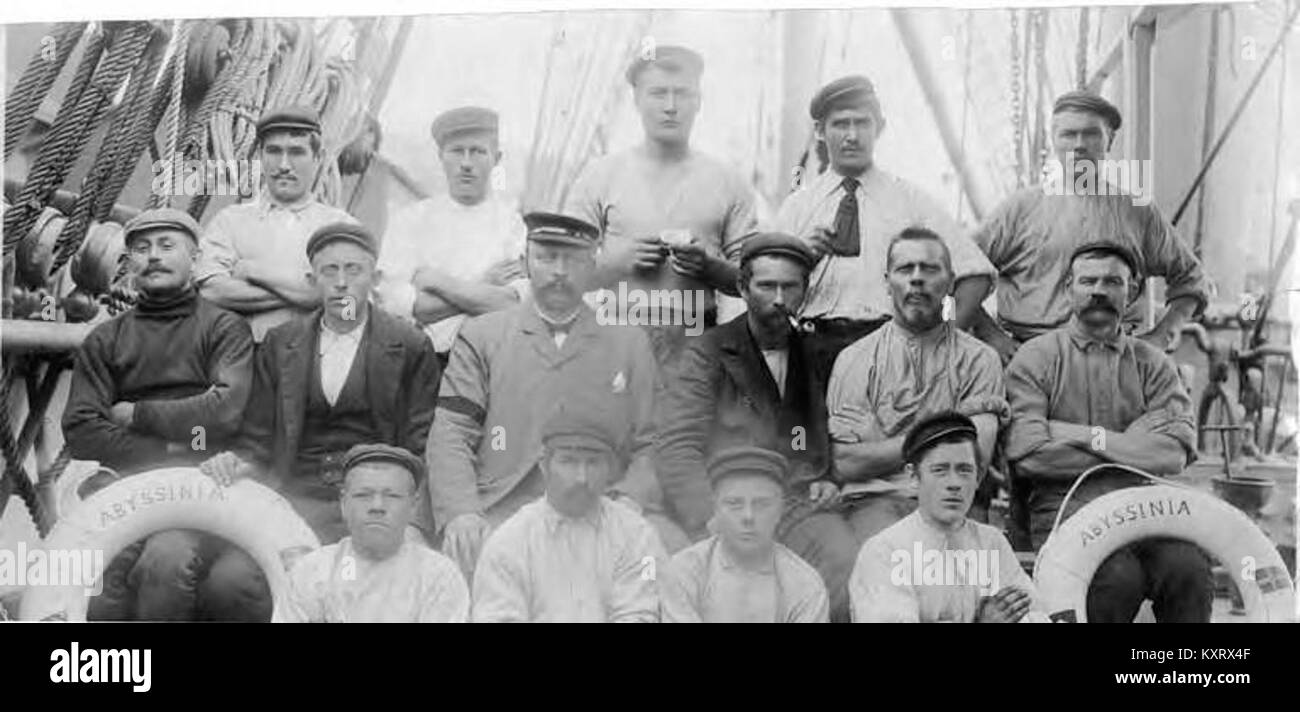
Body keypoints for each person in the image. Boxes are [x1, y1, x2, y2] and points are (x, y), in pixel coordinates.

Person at [428, 211, 674, 578]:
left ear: (592, 267)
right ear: (526, 263)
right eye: (546, 257)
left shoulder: (628, 341)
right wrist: (462, 510)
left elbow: (652, 439)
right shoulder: (482, 335)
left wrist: (631, 498)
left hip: (600, 504)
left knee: (662, 567)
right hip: (502, 506)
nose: (559, 271)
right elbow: (451, 432)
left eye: (573, 260)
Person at [62, 208, 265, 621]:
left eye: (167, 246)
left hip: (204, 485)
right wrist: (175, 443)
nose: (153, 256)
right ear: (128, 263)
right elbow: (82, 429)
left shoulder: (225, 329)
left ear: (195, 258)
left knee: (167, 561)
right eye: (141, 248)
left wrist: (136, 413)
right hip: (125, 489)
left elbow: (224, 412)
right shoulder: (106, 339)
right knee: (100, 574)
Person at [1005, 242, 1212, 622]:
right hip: (1065, 510)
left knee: (1190, 571)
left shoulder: (1153, 364)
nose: (1098, 290)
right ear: (1069, 289)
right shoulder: (1036, 358)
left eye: (1112, 282)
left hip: (1144, 510)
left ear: (1130, 292)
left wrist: (1086, 436)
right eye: (1088, 281)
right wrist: (1133, 442)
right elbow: (1030, 456)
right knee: (1117, 578)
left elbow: (1172, 455)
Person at [655, 232, 856, 619]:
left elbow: (827, 430)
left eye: (789, 287)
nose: (779, 299)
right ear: (743, 289)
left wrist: (827, 477)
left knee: (843, 559)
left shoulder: (817, 353)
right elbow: (677, 445)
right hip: (726, 503)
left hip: (795, 505)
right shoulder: (707, 352)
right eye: (766, 286)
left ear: (804, 291)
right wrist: (707, 513)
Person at [204, 222, 441, 545]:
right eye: (329, 271)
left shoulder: (410, 344)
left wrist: (413, 521)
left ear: (374, 279)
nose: (341, 283)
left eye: (353, 270)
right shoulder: (281, 343)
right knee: (230, 581)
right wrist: (238, 462)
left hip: (373, 504)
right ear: (312, 282)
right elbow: (257, 438)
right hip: (293, 499)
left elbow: (421, 444)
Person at [773, 75, 996, 384]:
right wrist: (800, 259)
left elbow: (975, 275)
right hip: (812, 352)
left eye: (862, 123)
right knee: (809, 434)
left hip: (891, 349)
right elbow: (767, 291)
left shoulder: (911, 201)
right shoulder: (797, 207)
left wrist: (939, 339)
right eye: (840, 124)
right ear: (820, 132)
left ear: (880, 127)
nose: (852, 136)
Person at [969, 90, 1210, 363]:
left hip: (1116, 364)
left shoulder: (1137, 211)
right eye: (1068, 135)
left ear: (1110, 141)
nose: (1079, 145)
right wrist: (990, 334)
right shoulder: (1018, 210)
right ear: (1054, 140)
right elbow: (955, 271)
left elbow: (1192, 278)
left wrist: (1163, 336)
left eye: (1091, 134)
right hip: (1032, 362)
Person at [564, 45, 758, 365]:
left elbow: (752, 280)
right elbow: (565, 271)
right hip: (617, 338)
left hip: (698, 340)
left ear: (698, 101)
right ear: (637, 100)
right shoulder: (600, 175)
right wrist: (617, 262)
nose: (671, 106)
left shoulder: (728, 181)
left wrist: (710, 267)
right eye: (658, 93)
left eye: (682, 94)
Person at [827, 227, 1006, 542]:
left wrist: (883, 442)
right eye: (905, 269)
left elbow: (973, 459)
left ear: (950, 283)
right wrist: (945, 433)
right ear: (887, 282)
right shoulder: (854, 359)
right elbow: (845, 464)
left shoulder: (980, 359)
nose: (917, 278)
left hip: (953, 505)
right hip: (873, 504)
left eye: (930, 269)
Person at [470, 401, 665, 622]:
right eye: (568, 462)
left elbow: (641, 613)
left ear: (609, 468)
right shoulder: (509, 543)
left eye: (592, 463)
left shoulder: (637, 537)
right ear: (544, 466)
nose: (581, 478)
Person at [849, 412, 1047, 623]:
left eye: (964, 471)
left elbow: (1034, 615)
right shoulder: (885, 551)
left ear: (978, 478)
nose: (954, 483)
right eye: (940, 470)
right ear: (914, 477)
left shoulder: (992, 544)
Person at [375, 106, 528, 360]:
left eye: (478, 152)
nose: (466, 163)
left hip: (480, 360)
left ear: (496, 158)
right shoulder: (411, 219)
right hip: (412, 356)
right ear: (441, 155)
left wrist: (435, 281)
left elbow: (510, 304)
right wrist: (484, 287)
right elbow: (398, 305)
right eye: (457, 151)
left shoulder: (512, 226)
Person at [196, 105, 357, 342]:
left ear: (318, 158)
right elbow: (211, 292)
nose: (283, 165)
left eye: (296, 152)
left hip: (307, 366)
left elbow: (348, 308)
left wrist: (251, 271)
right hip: (232, 359)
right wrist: (313, 293)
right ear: (261, 156)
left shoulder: (341, 228)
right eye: (274, 151)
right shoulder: (230, 220)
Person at [274, 444, 470, 623]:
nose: (377, 506)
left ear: (413, 505)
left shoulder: (438, 577)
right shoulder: (312, 572)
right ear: (343, 503)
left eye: (392, 496)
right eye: (363, 495)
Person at [662, 447, 829, 623]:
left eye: (762, 504)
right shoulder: (685, 571)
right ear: (716, 508)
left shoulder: (805, 585)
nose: (748, 516)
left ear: (780, 510)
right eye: (734, 504)